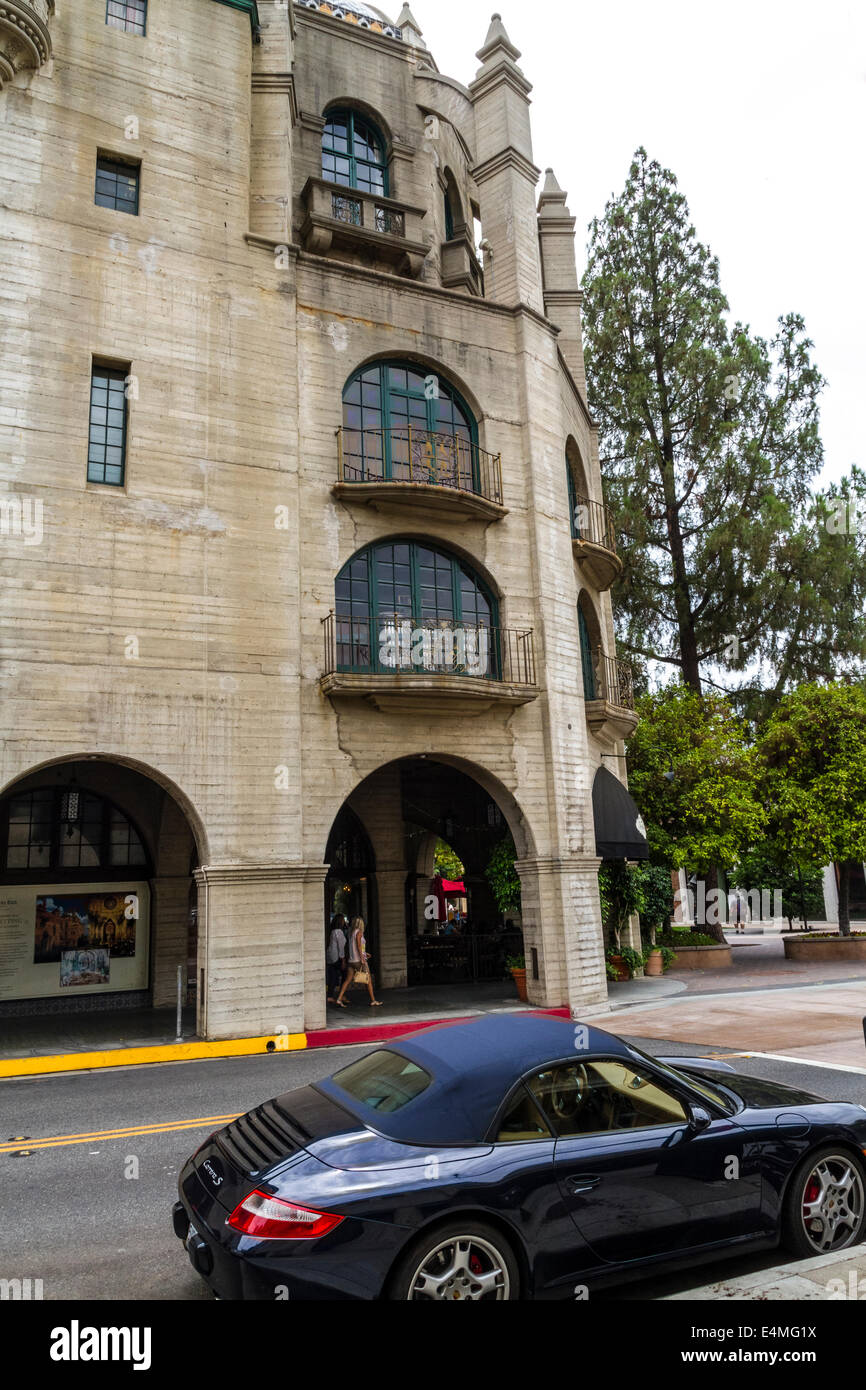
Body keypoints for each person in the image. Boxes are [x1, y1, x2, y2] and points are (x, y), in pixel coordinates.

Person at [336, 916, 381, 1008]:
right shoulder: (359, 933)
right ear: (361, 924)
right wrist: (362, 958)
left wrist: (365, 953)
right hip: (358, 961)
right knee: (368, 980)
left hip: (351, 960)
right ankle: (373, 1000)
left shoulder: (351, 933)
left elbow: (353, 947)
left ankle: (339, 999)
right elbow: (359, 946)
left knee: (347, 980)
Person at [326, 913, 347, 1003]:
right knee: (346, 975)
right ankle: (341, 995)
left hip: (330, 957)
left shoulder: (332, 931)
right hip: (336, 957)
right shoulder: (339, 932)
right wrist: (343, 960)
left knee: (333, 976)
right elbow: (341, 947)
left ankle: (330, 996)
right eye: (343, 920)